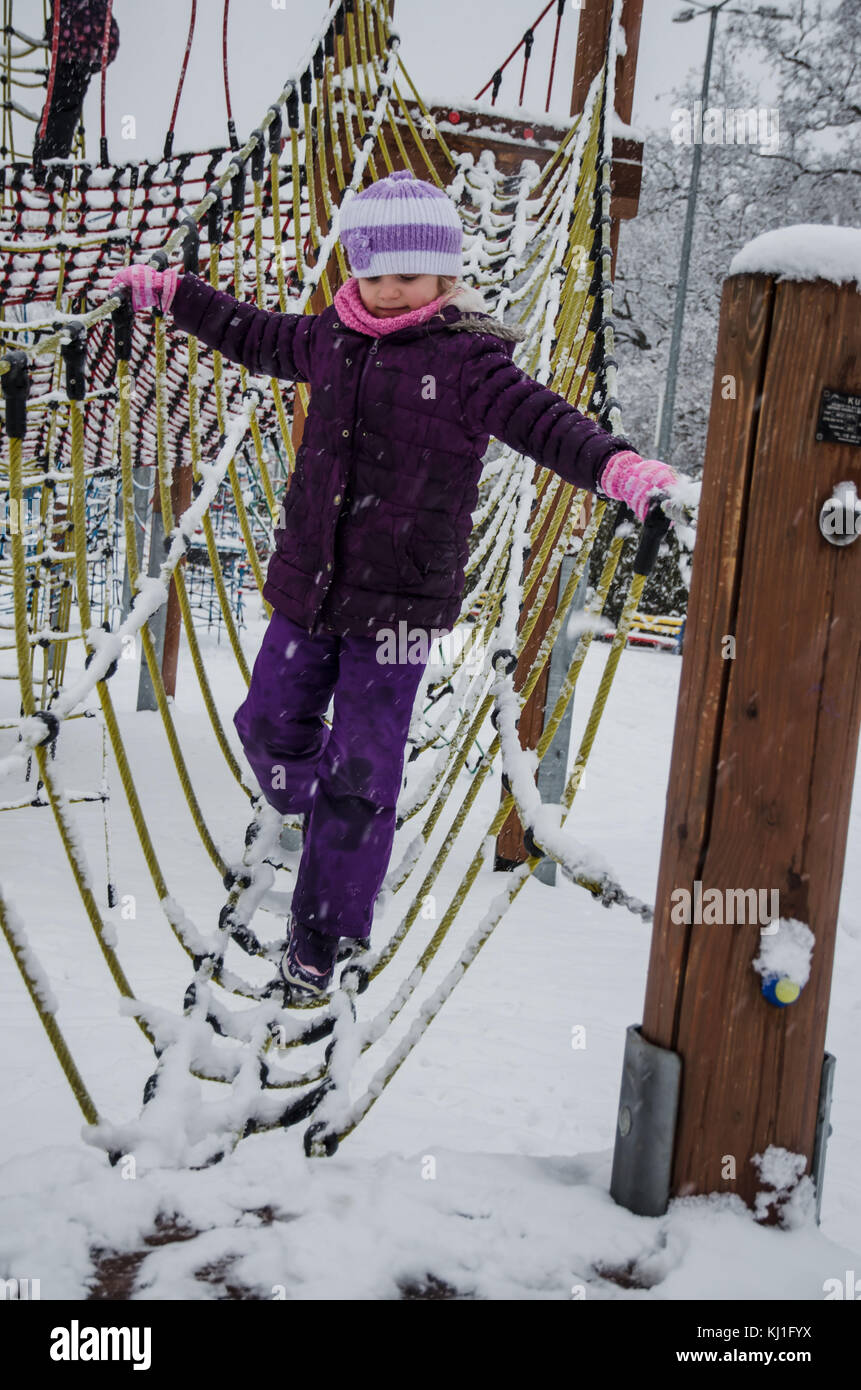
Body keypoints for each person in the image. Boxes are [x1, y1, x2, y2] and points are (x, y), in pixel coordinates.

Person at [109, 169, 679, 998]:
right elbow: (254, 334)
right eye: (370, 274)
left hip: (399, 612)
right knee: (267, 723)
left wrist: (620, 470)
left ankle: (324, 932)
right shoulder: (331, 339)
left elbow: (546, 423)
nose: (384, 292)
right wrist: (176, 295)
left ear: (445, 279)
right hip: (308, 590)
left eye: (405, 277)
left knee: (362, 772)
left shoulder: (468, 363)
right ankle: (300, 802)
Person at [36, 0, 120, 161]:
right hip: (94, 42)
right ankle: (50, 159)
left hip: (73, 41)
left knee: (62, 107)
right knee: (66, 105)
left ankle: (49, 160)